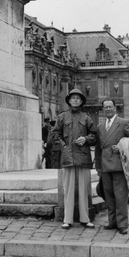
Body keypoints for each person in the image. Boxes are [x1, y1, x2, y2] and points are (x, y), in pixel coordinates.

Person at [94, 99, 129, 235]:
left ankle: (122, 224)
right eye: (105, 107)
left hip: (120, 166)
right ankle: (112, 222)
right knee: (108, 196)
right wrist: (98, 167)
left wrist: (122, 146)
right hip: (105, 167)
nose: (108, 109)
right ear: (103, 110)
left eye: (110, 107)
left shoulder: (123, 123)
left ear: (115, 108)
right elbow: (98, 149)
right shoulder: (100, 127)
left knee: (120, 196)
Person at [51, 89, 97, 229]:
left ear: (82, 101)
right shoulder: (62, 117)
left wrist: (86, 138)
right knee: (68, 188)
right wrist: (63, 145)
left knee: (83, 189)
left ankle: (85, 218)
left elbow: (94, 136)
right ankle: (67, 219)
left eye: (78, 98)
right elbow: (54, 134)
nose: (76, 100)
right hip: (68, 156)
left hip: (83, 156)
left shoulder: (86, 118)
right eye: (73, 98)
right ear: (69, 101)